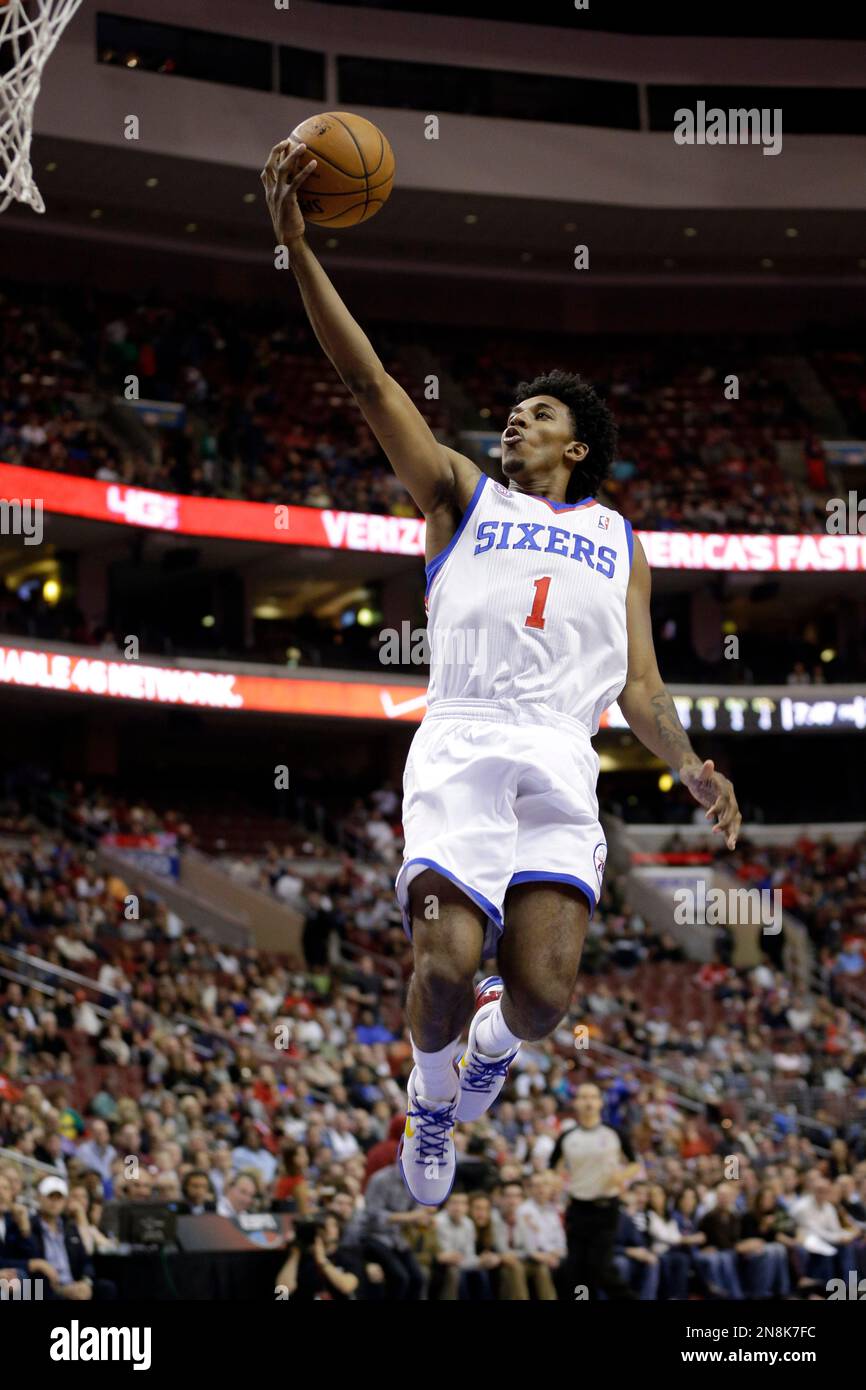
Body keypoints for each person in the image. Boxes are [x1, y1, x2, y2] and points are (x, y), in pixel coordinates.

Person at [260, 137, 742, 1206]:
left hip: (562, 757)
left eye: (540, 414)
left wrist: (692, 769)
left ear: (577, 449)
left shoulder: (619, 537)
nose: (515, 417)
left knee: (537, 1000)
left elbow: (640, 688)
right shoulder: (457, 496)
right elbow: (366, 379)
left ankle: (486, 1050)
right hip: (467, 735)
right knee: (438, 965)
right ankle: (430, 1105)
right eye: (513, 410)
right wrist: (298, 251)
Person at [550, 1082, 641, 1300]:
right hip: (578, 1208)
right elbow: (552, 1169)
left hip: (606, 1208)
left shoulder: (614, 1133)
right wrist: (555, 1183)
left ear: (600, 1102)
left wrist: (622, 1176)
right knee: (575, 1270)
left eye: (593, 1096)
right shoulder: (567, 1137)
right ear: (576, 1103)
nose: (588, 1101)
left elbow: (635, 1164)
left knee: (600, 1267)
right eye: (583, 1097)